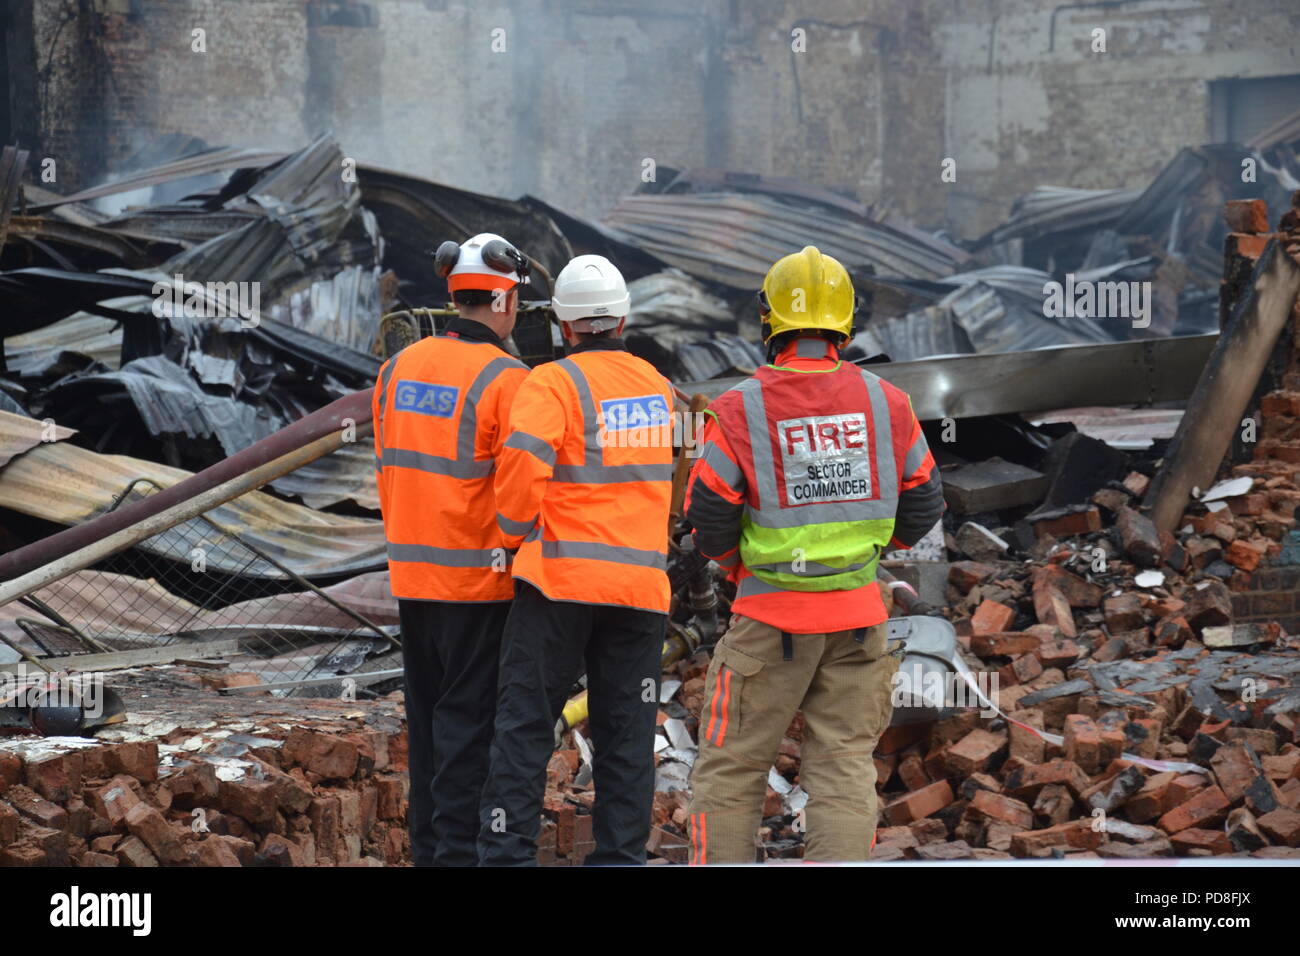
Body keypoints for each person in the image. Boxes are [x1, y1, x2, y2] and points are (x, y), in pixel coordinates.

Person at [683, 245, 945, 863]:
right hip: (858, 618)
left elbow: (709, 515)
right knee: (845, 767)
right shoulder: (887, 402)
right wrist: (868, 553)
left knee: (731, 771)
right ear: (844, 324)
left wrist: (740, 567)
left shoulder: (741, 407)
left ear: (769, 322)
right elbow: (925, 500)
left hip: (770, 620)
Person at [478, 254, 673, 866]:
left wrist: (513, 537)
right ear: (622, 318)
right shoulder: (658, 388)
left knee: (524, 729)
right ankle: (619, 859)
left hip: (558, 588)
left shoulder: (552, 384)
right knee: (628, 740)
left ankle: (506, 857)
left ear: (564, 326)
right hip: (639, 594)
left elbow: (519, 472)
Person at [372, 232, 531, 866]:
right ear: (505, 301)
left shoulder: (397, 369)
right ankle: (457, 858)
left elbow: (389, 467)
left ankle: (428, 853)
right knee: (469, 732)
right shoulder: (510, 379)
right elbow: (520, 490)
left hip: (413, 581)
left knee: (432, 730)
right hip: (480, 587)